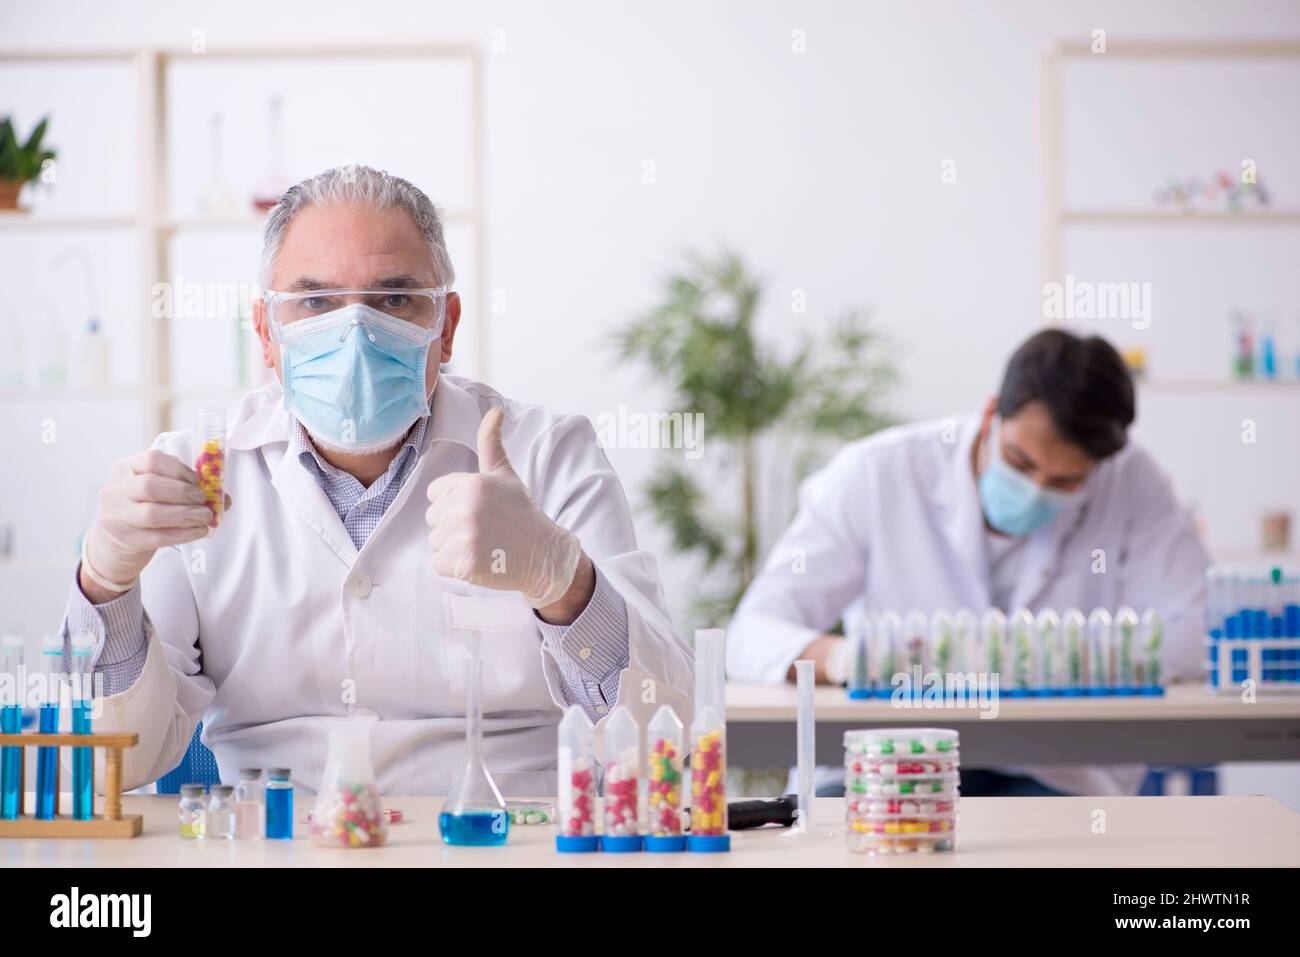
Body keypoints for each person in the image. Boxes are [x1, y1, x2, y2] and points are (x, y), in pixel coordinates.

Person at [62, 166, 693, 795]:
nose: (355, 333)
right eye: (315, 302)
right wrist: (106, 584)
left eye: (394, 300)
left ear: (444, 328)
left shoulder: (549, 456)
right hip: (278, 842)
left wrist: (566, 585)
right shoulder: (192, 476)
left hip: (506, 840)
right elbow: (106, 766)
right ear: (267, 333)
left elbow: (669, 741)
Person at [727, 329, 1208, 795]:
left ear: (1098, 467)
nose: (1036, 489)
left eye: (1064, 482)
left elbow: (1199, 630)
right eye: (1020, 463)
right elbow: (753, 634)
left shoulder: (1131, 483)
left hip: (1051, 770)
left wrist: (1059, 660)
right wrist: (852, 659)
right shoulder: (878, 473)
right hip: (892, 760)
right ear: (991, 413)